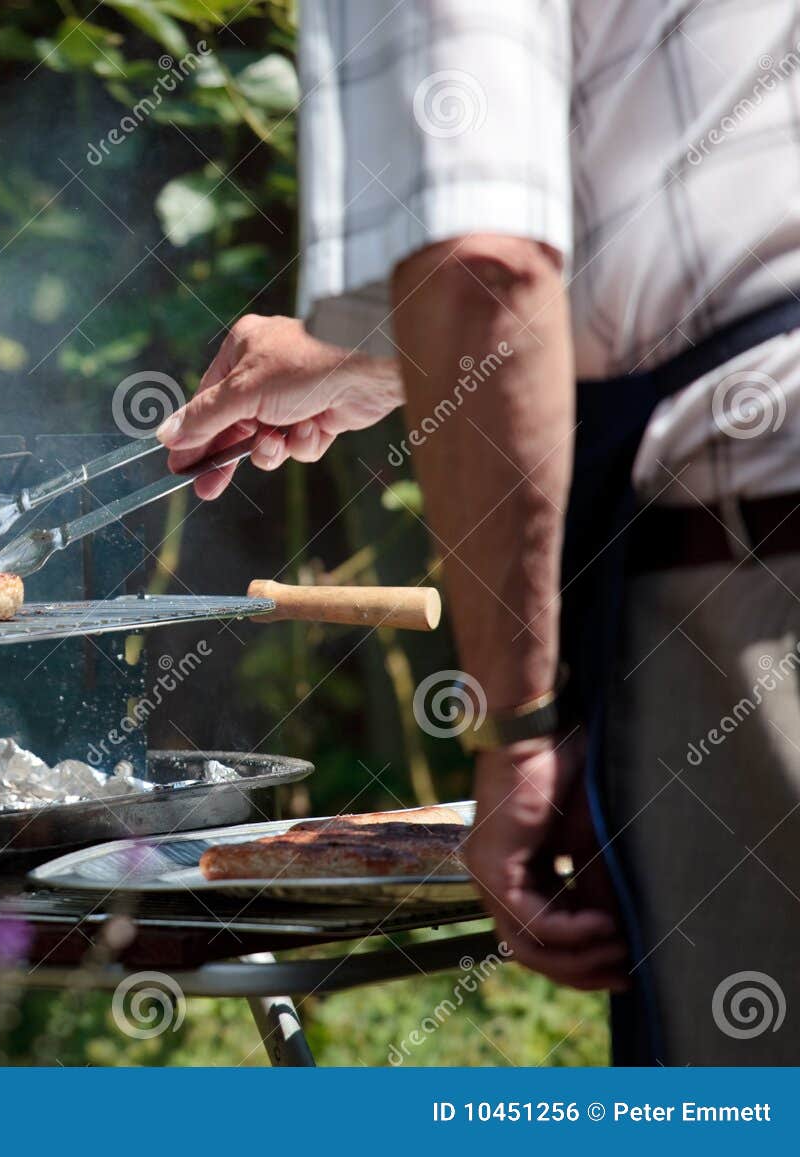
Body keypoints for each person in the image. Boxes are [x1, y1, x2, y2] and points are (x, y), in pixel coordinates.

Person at [157, 1, 800, 1064]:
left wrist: (521, 729)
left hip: (757, 535)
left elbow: (485, 269)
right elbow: (669, 233)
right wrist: (365, 360)